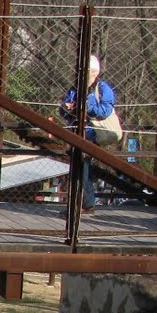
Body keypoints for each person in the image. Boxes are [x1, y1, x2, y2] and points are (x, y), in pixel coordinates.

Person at [59, 54, 119, 212]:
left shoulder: (102, 89)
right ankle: (86, 202)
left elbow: (105, 111)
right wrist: (67, 108)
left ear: (94, 73)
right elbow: (63, 111)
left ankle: (82, 203)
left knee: (81, 167)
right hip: (76, 132)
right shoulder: (75, 89)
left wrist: (87, 106)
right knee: (80, 168)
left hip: (92, 133)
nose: (82, 76)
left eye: (86, 72)